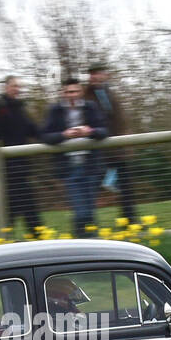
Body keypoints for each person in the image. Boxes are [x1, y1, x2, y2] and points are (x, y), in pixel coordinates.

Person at [42, 78, 108, 237]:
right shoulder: (55, 110)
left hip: (90, 165)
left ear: (81, 92)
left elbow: (104, 131)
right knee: (81, 212)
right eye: (68, 92)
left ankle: (93, 244)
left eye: (75, 91)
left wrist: (90, 132)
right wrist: (63, 135)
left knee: (90, 211)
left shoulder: (90, 107)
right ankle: (81, 242)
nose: (72, 95)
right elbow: (44, 136)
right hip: (69, 168)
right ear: (63, 93)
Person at [0, 76, 43, 237]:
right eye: (14, 86)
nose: (17, 89)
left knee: (22, 205)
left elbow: (32, 129)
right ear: (6, 87)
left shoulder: (20, 108)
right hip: (6, 168)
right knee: (19, 206)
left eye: (19, 86)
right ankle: (33, 235)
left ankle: (25, 236)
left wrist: (50, 136)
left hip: (22, 166)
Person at [84, 63, 137, 224]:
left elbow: (120, 121)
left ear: (105, 75)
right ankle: (88, 226)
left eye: (97, 73)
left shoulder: (111, 94)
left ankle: (130, 221)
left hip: (117, 149)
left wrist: (126, 144)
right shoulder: (85, 96)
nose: (94, 76)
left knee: (126, 187)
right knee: (92, 188)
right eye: (91, 74)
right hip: (97, 150)